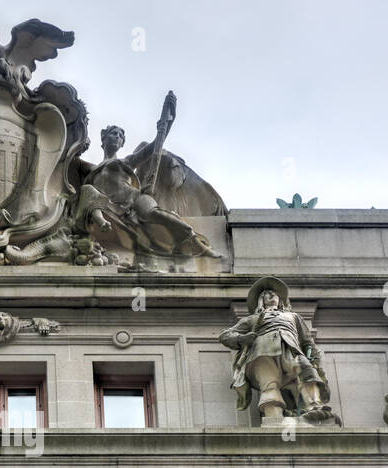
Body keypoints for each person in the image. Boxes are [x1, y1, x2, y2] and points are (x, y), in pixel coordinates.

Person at [74, 93, 215, 258]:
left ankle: (196, 243)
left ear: (122, 144)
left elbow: (156, 144)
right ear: (104, 138)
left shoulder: (126, 162)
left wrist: (168, 122)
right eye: (114, 133)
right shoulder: (90, 168)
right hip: (109, 207)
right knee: (87, 189)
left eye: (120, 136)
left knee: (156, 215)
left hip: (134, 200)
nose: (117, 138)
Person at [220, 277, 336, 422]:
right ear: (261, 300)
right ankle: (274, 418)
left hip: (290, 350)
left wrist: (315, 360)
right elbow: (225, 335)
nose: (272, 295)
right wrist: (243, 339)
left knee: (305, 368)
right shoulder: (253, 319)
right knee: (269, 384)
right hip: (261, 353)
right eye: (267, 294)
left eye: (274, 293)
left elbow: (307, 342)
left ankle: (314, 405)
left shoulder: (293, 317)